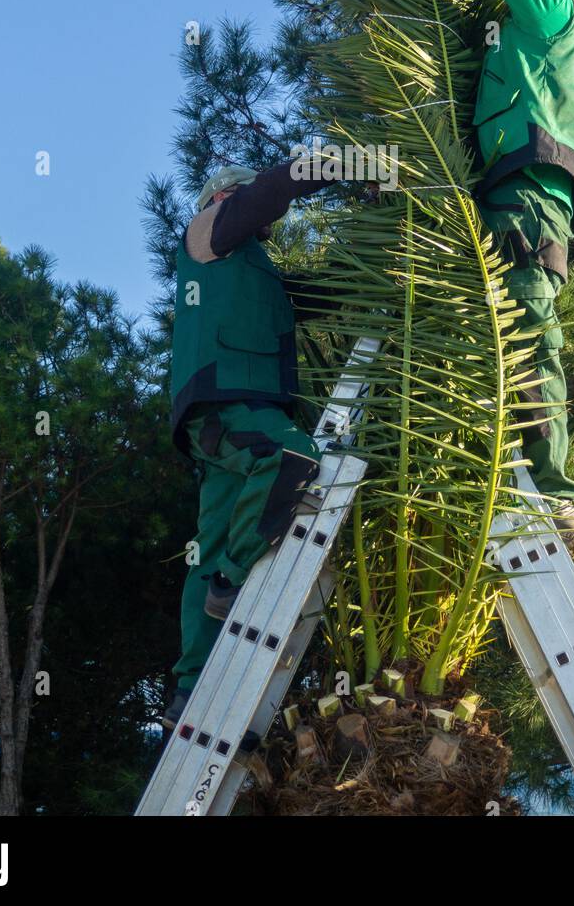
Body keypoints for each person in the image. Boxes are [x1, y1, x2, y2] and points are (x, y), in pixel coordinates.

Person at [161, 157, 347, 730]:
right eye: (242, 198)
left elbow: (321, 296)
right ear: (222, 198)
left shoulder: (254, 267)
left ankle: (189, 692)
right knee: (291, 458)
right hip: (225, 404)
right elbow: (270, 192)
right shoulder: (205, 234)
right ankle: (231, 583)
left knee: (211, 540)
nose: (262, 217)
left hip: (235, 415)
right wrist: (332, 166)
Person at [437, 0, 574, 557]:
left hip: (530, 191)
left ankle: (553, 491)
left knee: (531, 327)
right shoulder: (546, 36)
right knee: (511, 326)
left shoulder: (556, 11)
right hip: (523, 188)